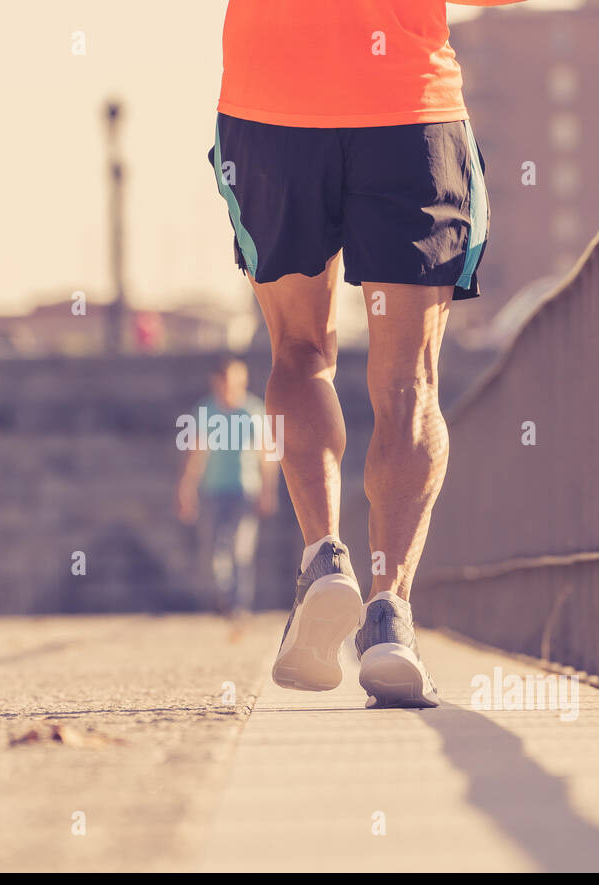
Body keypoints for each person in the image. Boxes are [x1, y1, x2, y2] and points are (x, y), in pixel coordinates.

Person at [208, 0, 522, 707]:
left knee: (298, 351)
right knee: (409, 381)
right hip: (407, 109)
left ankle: (323, 557)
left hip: (273, 103)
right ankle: (389, 614)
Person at [177, 356, 279, 618]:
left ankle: (238, 605)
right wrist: (186, 490)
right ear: (215, 382)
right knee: (212, 549)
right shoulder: (205, 410)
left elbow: (267, 456)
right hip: (212, 490)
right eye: (224, 380)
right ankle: (222, 598)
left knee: (240, 549)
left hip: (246, 490)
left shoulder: (255, 411)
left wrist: (269, 490)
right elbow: (194, 453)